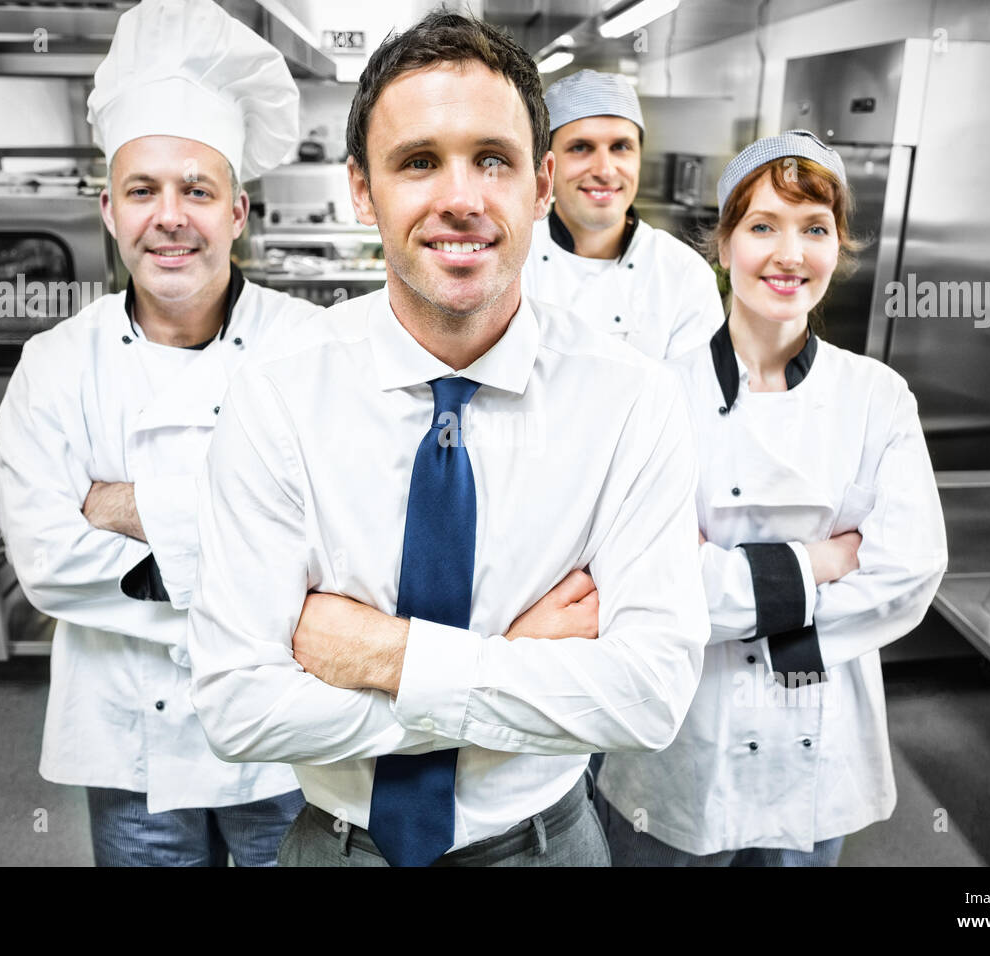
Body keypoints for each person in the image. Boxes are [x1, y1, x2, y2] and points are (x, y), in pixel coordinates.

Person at [185, 11, 709, 868]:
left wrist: (385, 656)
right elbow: (241, 708)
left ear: (540, 187)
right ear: (362, 189)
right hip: (340, 845)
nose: (460, 196)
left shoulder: (630, 402)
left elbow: (648, 698)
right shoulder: (279, 398)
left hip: (547, 842)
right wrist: (513, 662)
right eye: (419, 161)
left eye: (492, 160)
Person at [0, 0, 318, 866]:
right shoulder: (54, 364)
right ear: (109, 209)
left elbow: (343, 544)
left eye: (197, 190)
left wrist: (126, 507)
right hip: (128, 745)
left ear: (239, 212)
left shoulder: (312, 349)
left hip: (285, 743)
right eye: (144, 191)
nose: (170, 216)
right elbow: (48, 565)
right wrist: (247, 541)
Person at [593, 130, 949, 865]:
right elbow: (643, 584)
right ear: (723, 246)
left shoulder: (877, 397)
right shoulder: (655, 395)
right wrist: (822, 561)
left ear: (837, 247)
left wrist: (723, 582)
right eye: (762, 227)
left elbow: (909, 570)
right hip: (682, 740)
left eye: (815, 229)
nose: (790, 255)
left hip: (819, 750)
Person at [520, 69, 723, 361]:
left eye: (620, 147)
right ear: (547, 164)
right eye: (580, 148)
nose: (604, 170)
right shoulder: (516, 261)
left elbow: (693, 399)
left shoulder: (683, 275)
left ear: (639, 157)